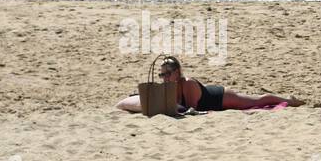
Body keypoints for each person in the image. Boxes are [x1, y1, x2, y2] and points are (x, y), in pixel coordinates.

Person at [116, 56, 303, 113]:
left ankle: (289, 100)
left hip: (217, 97)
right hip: (208, 99)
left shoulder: (187, 83)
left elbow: (191, 109)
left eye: (167, 74)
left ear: (177, 72)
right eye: (161, 74)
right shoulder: (168, 86)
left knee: (255, 101)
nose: (164, 77)